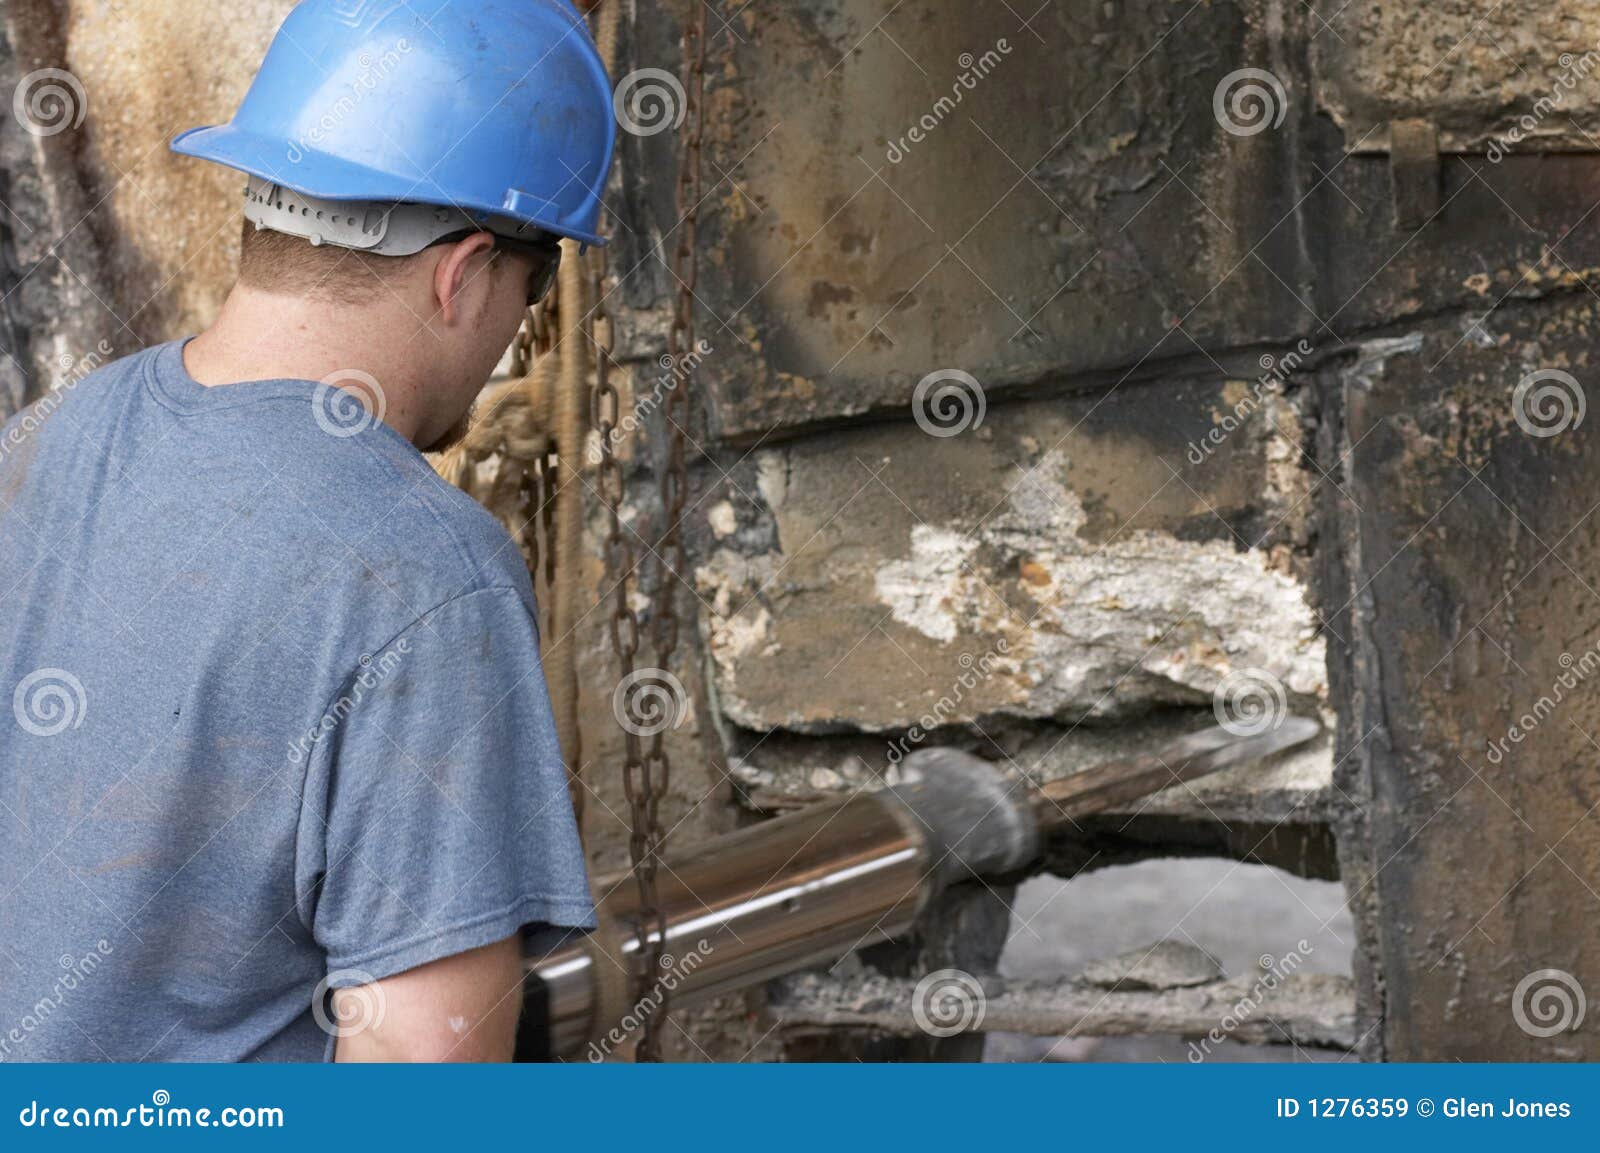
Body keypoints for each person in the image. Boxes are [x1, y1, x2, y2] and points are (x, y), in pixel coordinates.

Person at [0, 0, 614, 1062]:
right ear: (463, 273)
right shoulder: (429, 578)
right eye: (534, 282)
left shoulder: (47, 436)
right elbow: (420, 1072)